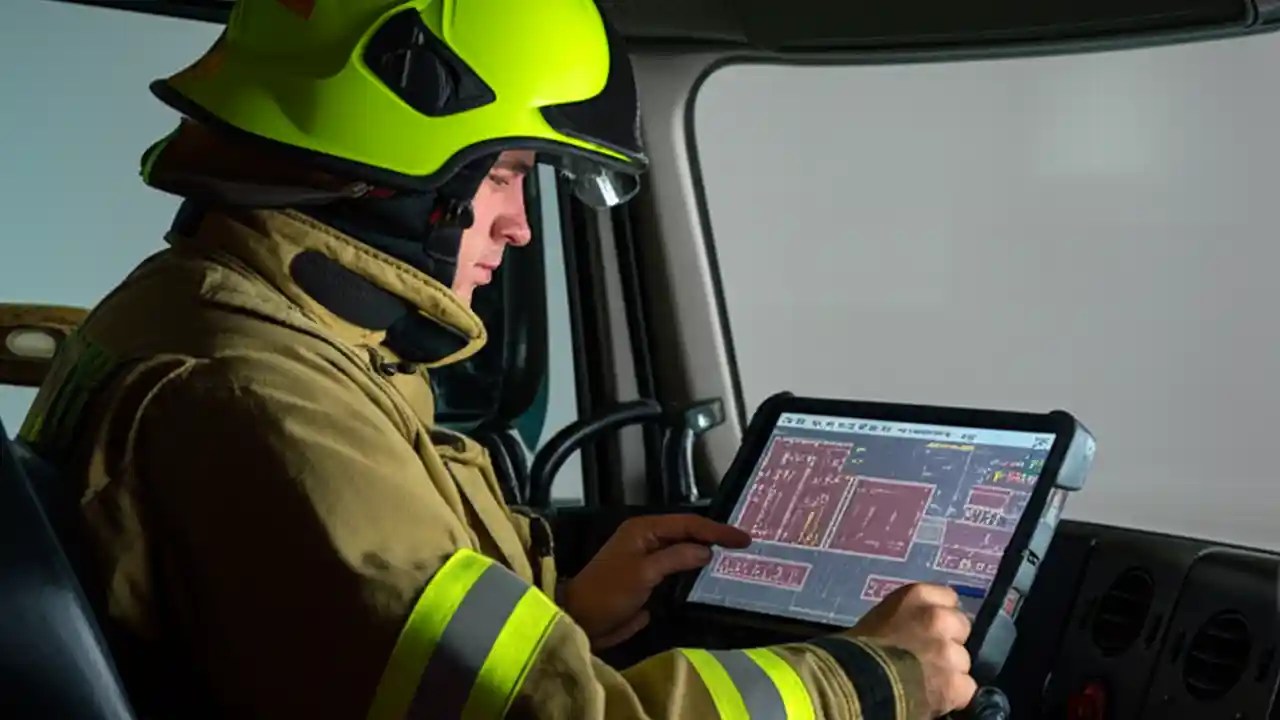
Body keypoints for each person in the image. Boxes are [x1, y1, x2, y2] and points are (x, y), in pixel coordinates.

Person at [20, 0, 976, 718]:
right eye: (508, 175)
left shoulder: (231, 324)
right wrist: (874, 679)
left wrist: (565, 608)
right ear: (404, 167)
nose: (519, 227)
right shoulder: (264, 397)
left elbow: (350, 633)